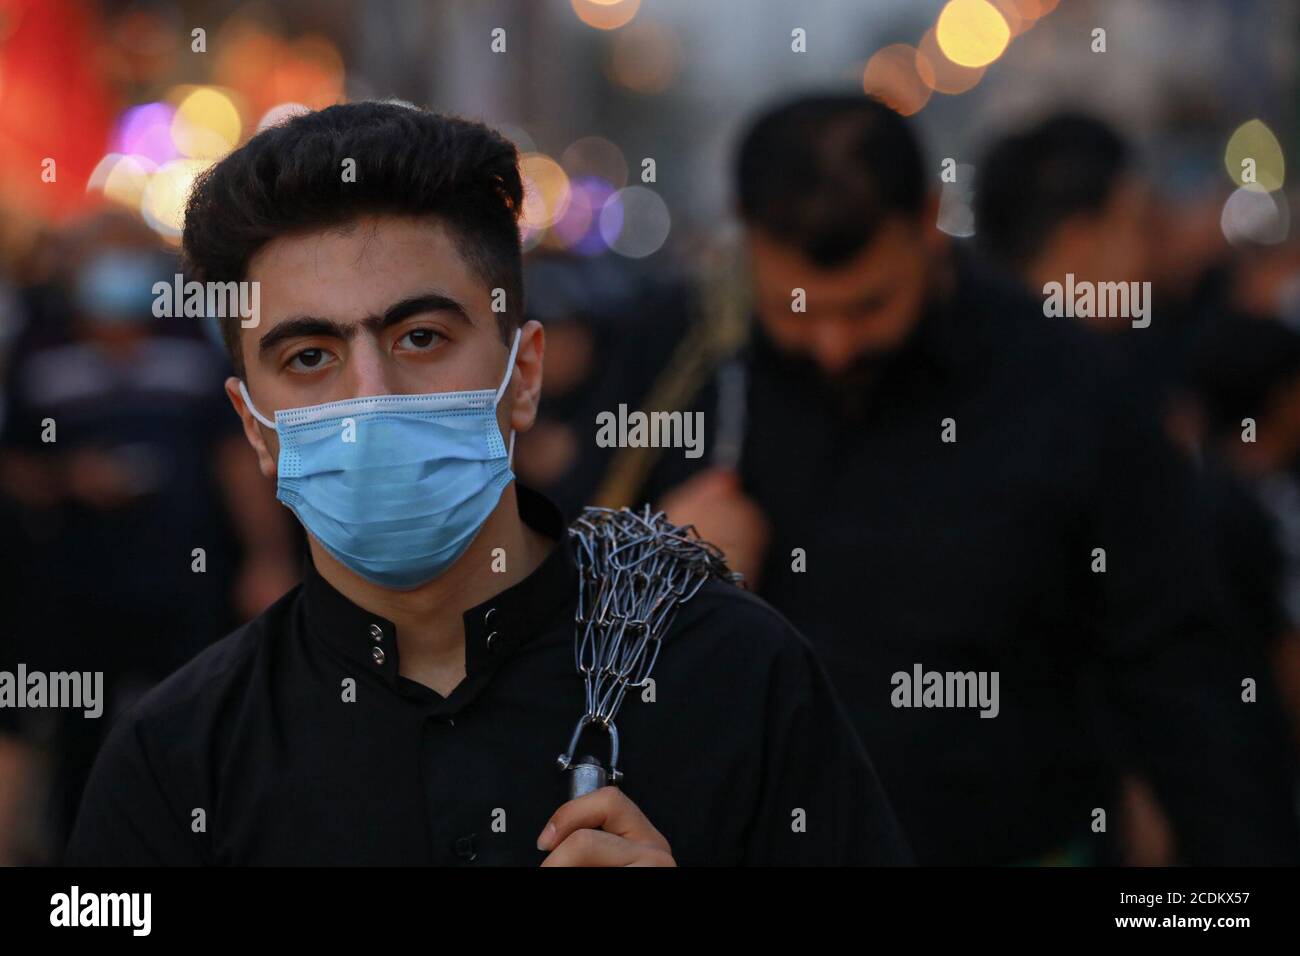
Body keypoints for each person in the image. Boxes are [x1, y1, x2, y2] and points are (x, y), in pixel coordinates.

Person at [64, 102, 910, 866]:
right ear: (254, 425)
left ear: (524, 373)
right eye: (309, 357)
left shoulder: (733, 673)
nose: (371, 398)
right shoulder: (176, 762)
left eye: (422, 337)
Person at [648, 93, 1300, 865]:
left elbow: (1183, 670)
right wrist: (667, 565)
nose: (831, 344)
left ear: (928, 221)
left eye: (867, 306)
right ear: (748, 236)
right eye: (800, 311)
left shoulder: (1066, 385)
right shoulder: (681, 373)